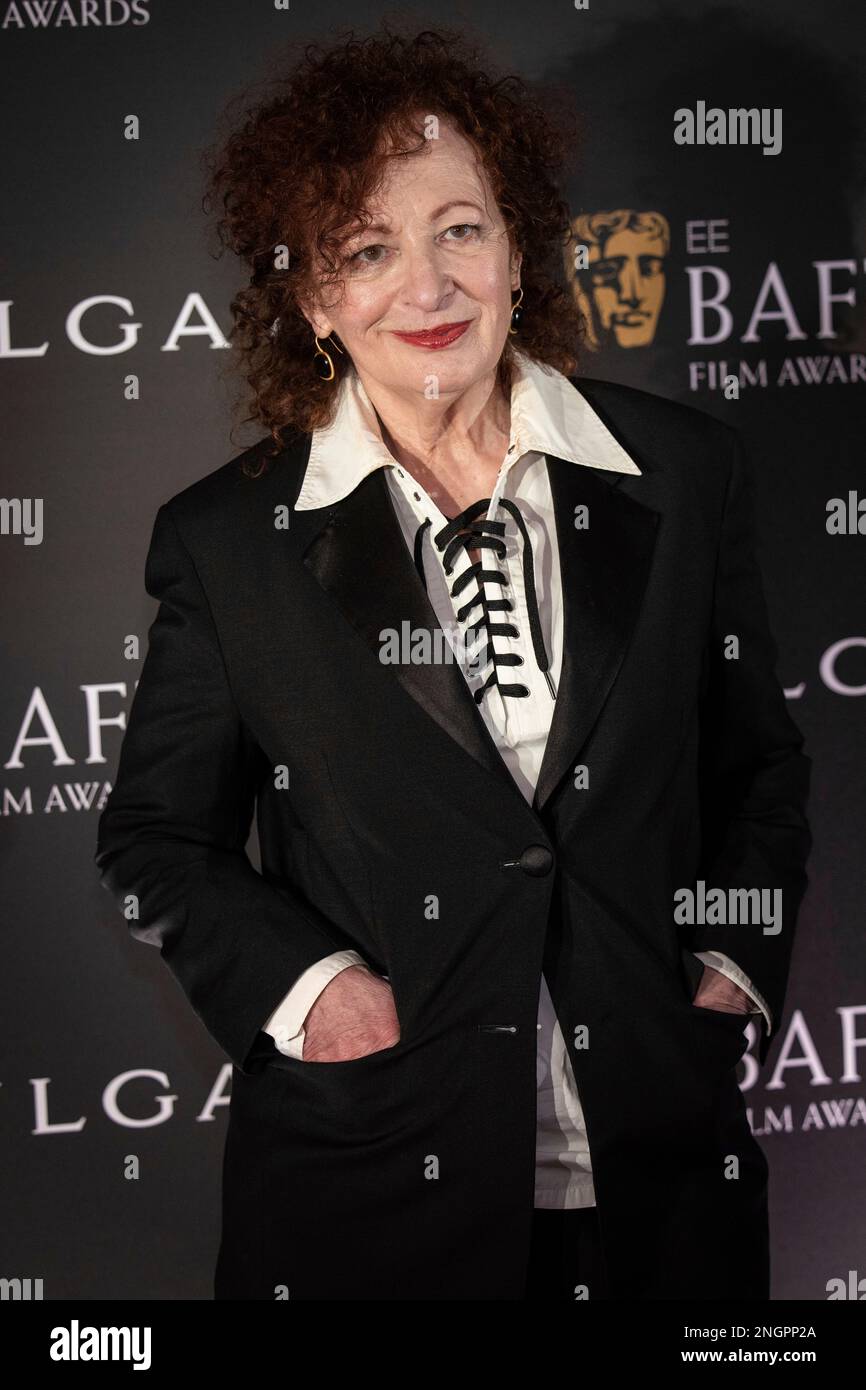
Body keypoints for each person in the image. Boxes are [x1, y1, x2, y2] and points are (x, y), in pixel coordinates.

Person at [95, 28, 811, 1301]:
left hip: (662, 1190)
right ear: (313, 299)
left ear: (517, 245)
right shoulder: (224, 543)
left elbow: (756, 766)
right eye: (367, 251)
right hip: (370, 1199)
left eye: (459, 230)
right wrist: (313, 993)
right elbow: (155, 837)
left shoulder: (685, 471)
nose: (427, 287)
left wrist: (728, 968)